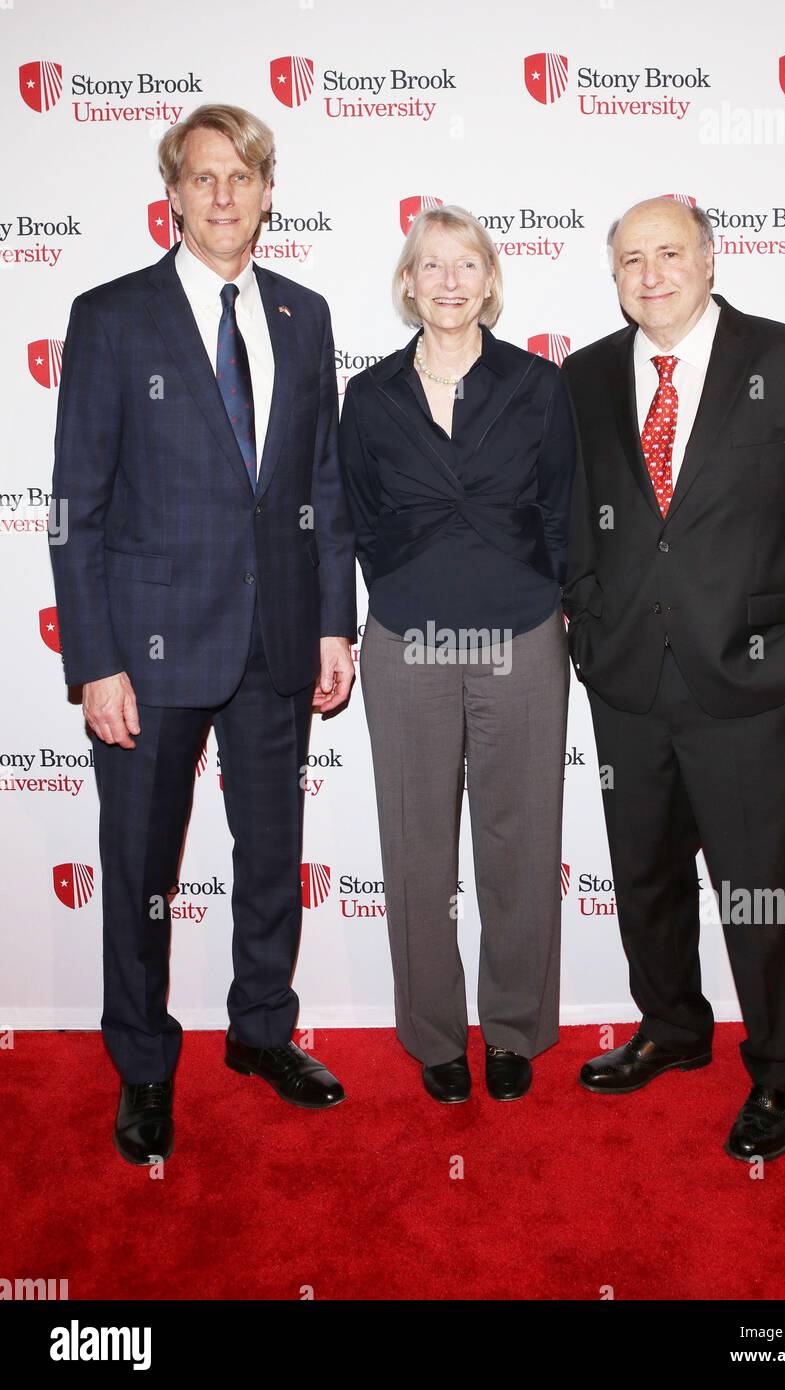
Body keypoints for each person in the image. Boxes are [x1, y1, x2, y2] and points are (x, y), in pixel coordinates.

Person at [48, 104, 357, 1165]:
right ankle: (141, 1063)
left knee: (272, 854)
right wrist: (92, 658)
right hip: (150, 649)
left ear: (268, 192)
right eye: (202, 177)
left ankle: (262, 1032)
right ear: (173, 194)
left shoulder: (304, 317)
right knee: (140, 862)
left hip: (276, 639)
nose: (224, 194)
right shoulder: (112, 316)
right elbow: (75, 503)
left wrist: (331, 622)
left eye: (243, 176)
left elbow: (320, 483)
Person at [561, 196, 785, 1161]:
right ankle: (672, 1030)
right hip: (626, 684)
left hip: (752, 684)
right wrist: (585, 628)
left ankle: (780, 1069)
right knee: (645, 876)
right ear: (613, 279)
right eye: (629, 262)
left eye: (668, 254)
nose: (649, 275)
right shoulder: (584, 377)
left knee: (762, 893)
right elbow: (572, 522)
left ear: (708, 258)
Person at [339, 206, 576, 1103]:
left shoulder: (536, 385)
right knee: (416, 848)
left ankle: (513, 1030)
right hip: (406, 643)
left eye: (464, 265)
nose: (447, 281)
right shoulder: (369, 396)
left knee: (519, 840)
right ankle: (435, 1036)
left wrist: (541, 595)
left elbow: (561, 508)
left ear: (489, 281)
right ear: (408, 284)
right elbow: (351, 519)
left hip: (520, 637)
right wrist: (406, 579)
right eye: (429, 266)